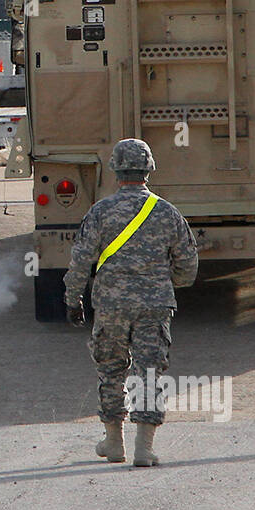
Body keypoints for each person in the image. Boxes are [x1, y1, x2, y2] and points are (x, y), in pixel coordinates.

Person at [63, 138, 198, 466]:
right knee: (149, 370)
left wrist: (73, 298)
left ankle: (114, 442)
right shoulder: (167, 212)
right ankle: (143, 448)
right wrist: (168, 284)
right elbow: (188, 262)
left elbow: (80, 260)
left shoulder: (100, 212)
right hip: (154, 305)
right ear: (149, 169)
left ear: (115, 170)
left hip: (110, 305)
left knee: (111, 370)